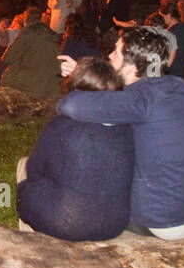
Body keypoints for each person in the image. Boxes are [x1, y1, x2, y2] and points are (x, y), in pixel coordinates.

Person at [57, 27, 184, 240]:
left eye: (116, 52)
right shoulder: (177, 87)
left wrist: (78, 77)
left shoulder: (138, 101)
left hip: (166, 222)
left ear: (133, 67)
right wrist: (82, 70)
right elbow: (122, 99)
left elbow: (70, 105)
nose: (109, 55)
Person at [17, 58, 135, 242]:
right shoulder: (127, 126)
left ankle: (30, 237)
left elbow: (35, 171)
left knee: (24, 176)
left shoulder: (63, 126)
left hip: (66, 223)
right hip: (113, 225)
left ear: (76, 86)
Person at [0, 6, 62, 99]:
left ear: (26, 19)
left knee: (10, 72)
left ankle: (1, 97)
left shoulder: (27, 33)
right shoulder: (51, 33)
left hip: (35, 85)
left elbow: (7, 58)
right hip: (54, 85)